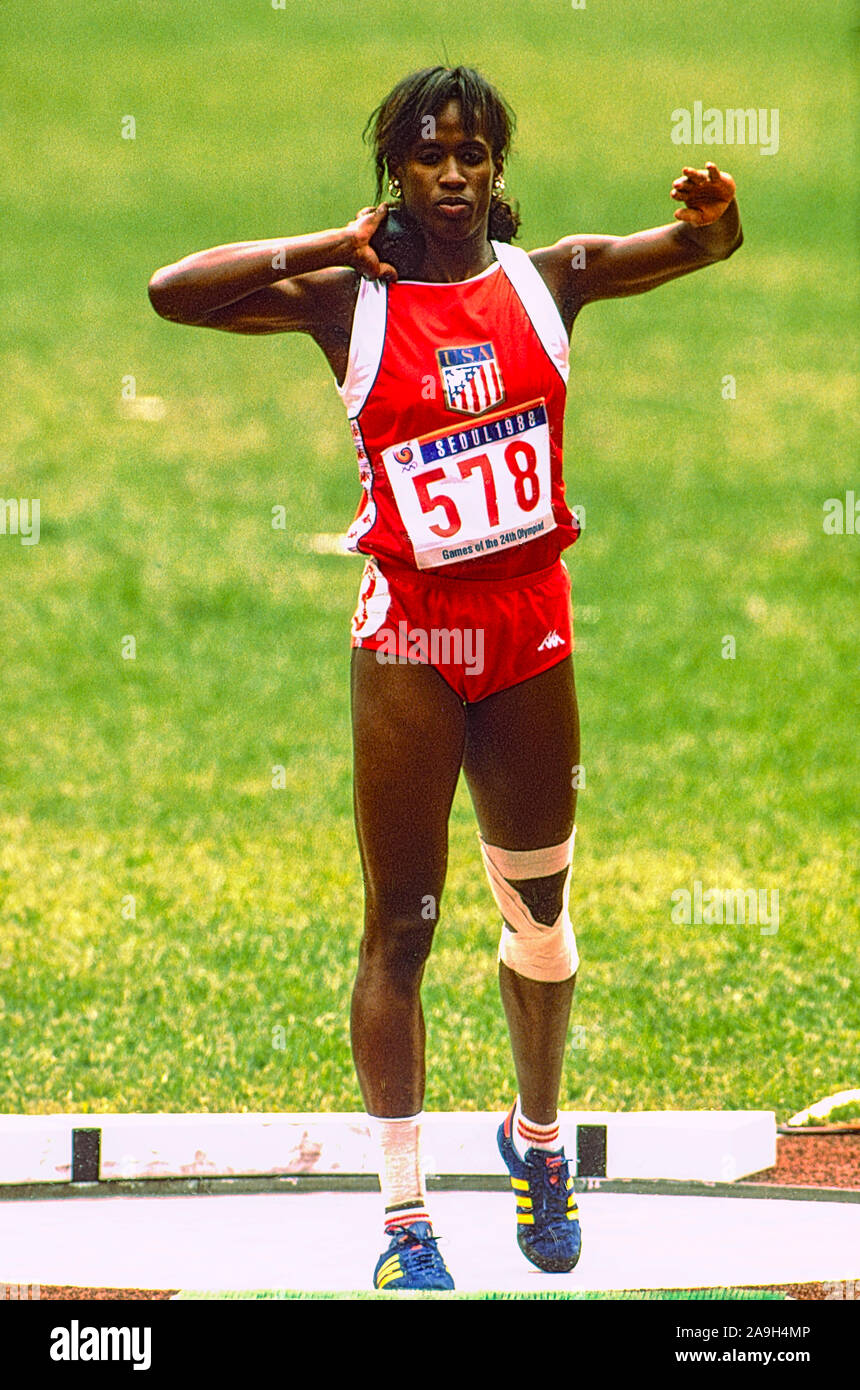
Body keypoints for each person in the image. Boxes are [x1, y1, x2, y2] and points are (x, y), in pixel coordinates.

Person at [148, 65, 742, 1292]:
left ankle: (534, 1142)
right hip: (410, 644)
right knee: (398, 929)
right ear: (396, 176)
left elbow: (698, 246)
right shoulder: (343, 304)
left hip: (528, 637)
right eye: (429, 157)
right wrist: (331, 242)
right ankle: (404, 1218)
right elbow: (173, 295)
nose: (455, 176)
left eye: (473, 154)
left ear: (497, 169)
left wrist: (713, 218)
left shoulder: (550, 279)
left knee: (537, 919)